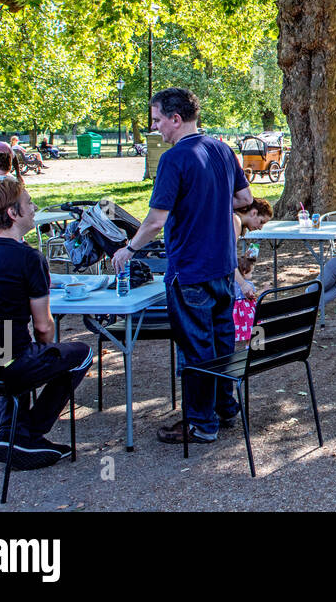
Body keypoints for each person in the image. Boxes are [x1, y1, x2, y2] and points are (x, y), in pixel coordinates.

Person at [110, 87, 252, 444]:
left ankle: (200, 424)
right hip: (223, 265)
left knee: (195, 349)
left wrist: (130, 248)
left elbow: (157, 220)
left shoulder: (174, 159)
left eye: (158, 121)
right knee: (221, 343)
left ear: (176, 118)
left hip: (189, 269)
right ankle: (226, 409)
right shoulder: (222, 148)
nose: (156, 129)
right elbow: (244, 198)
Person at [0, 176, 91, 470]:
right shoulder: (28, 257)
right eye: (28, 203)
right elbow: (43, 326)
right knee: (70, 353)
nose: (34, 207)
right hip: (6, 361)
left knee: (10, 348)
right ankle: (26, 433)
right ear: (13, 213)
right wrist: (50, 354)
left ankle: (9, 434)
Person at [233, 197, 272, 301]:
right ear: (254, 213)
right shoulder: (235, 221)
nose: (260, 227)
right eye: (261, 221)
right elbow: (227, 259)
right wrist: (243, 284)